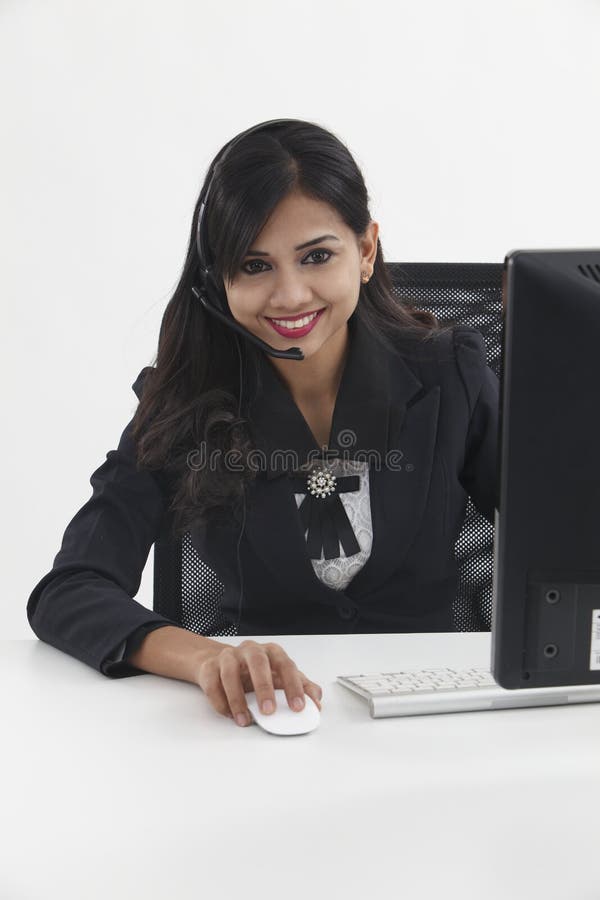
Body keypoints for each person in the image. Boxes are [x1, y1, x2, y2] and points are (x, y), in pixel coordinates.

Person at [26, 118, 499, 729]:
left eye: (317, 256)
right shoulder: (186, 401)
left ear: (365, 251)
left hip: (436, 719)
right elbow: (70, 589)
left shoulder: (449, 373)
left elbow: (555, 549)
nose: (290, 295)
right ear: (219, 281)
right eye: (255, 266)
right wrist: (204, 658)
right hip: (259, 727)